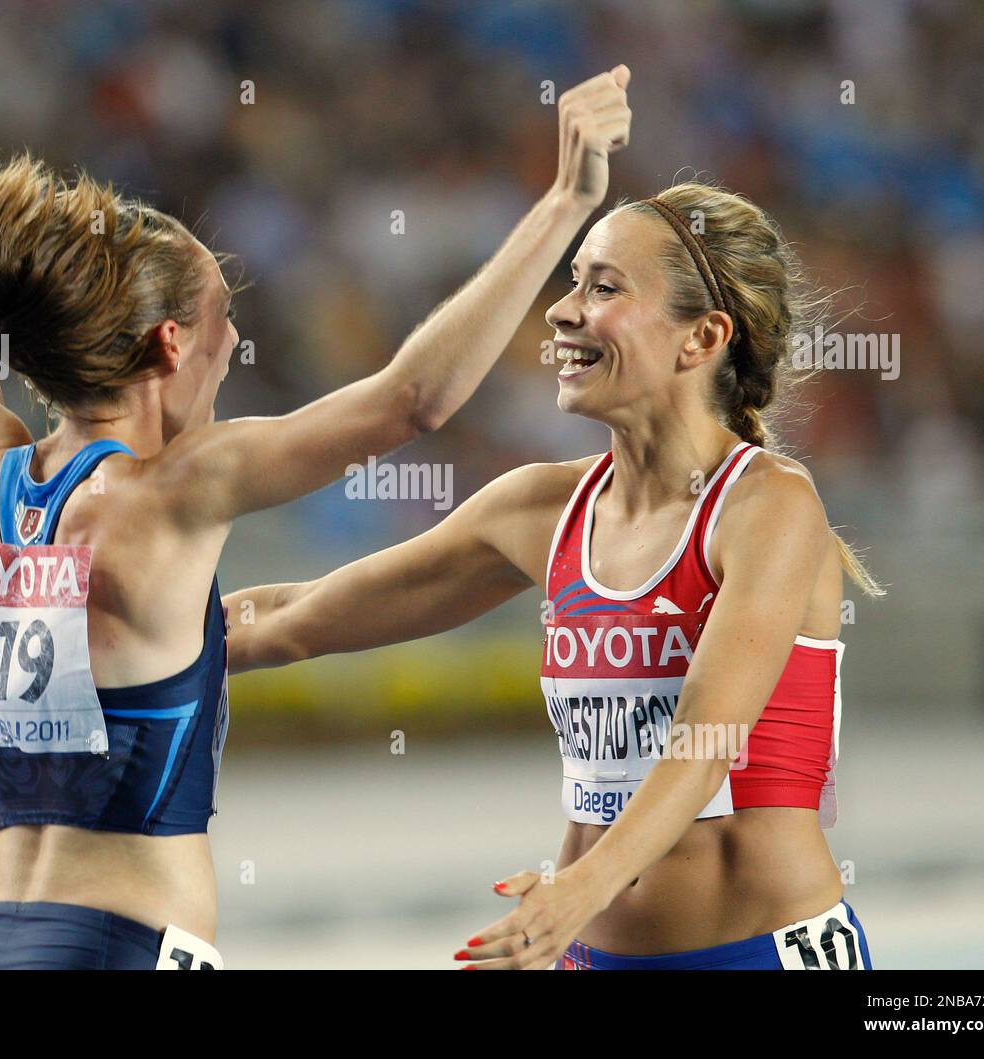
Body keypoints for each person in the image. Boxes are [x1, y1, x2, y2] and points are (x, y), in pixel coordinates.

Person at [0, 46, 633, 968]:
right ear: (168, 342)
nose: (235, 344)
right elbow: (410, 401)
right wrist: (566, 203)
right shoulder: (174, 489)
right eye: (222, 316)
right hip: (120, 941)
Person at [222, 181, 882, 970]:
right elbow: (298, 614)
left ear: (701, 338)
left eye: (603, 287)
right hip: (584, 953)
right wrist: (114, 633)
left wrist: (578, 888)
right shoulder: (538, 508)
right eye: (572, 283)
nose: (564, 312)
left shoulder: (769, 505)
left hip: (760, 954)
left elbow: (704, 742)